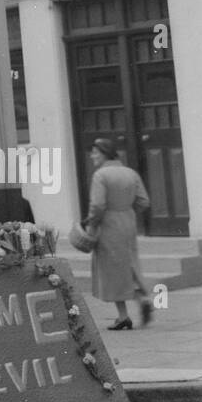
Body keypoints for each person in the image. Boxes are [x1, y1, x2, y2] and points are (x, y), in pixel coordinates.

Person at [84, 138, 152, 330]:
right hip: (128, 223)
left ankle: (123, 316)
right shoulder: (130, 173)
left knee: (113, 271)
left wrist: (91, 225)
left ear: (105, 153)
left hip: (108, 226)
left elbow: (97, 206)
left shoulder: (101, 175)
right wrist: (125, 211)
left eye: (95, 152)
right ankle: (142, 299)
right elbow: (143, 202)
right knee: (130, 265)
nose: (92, 156)